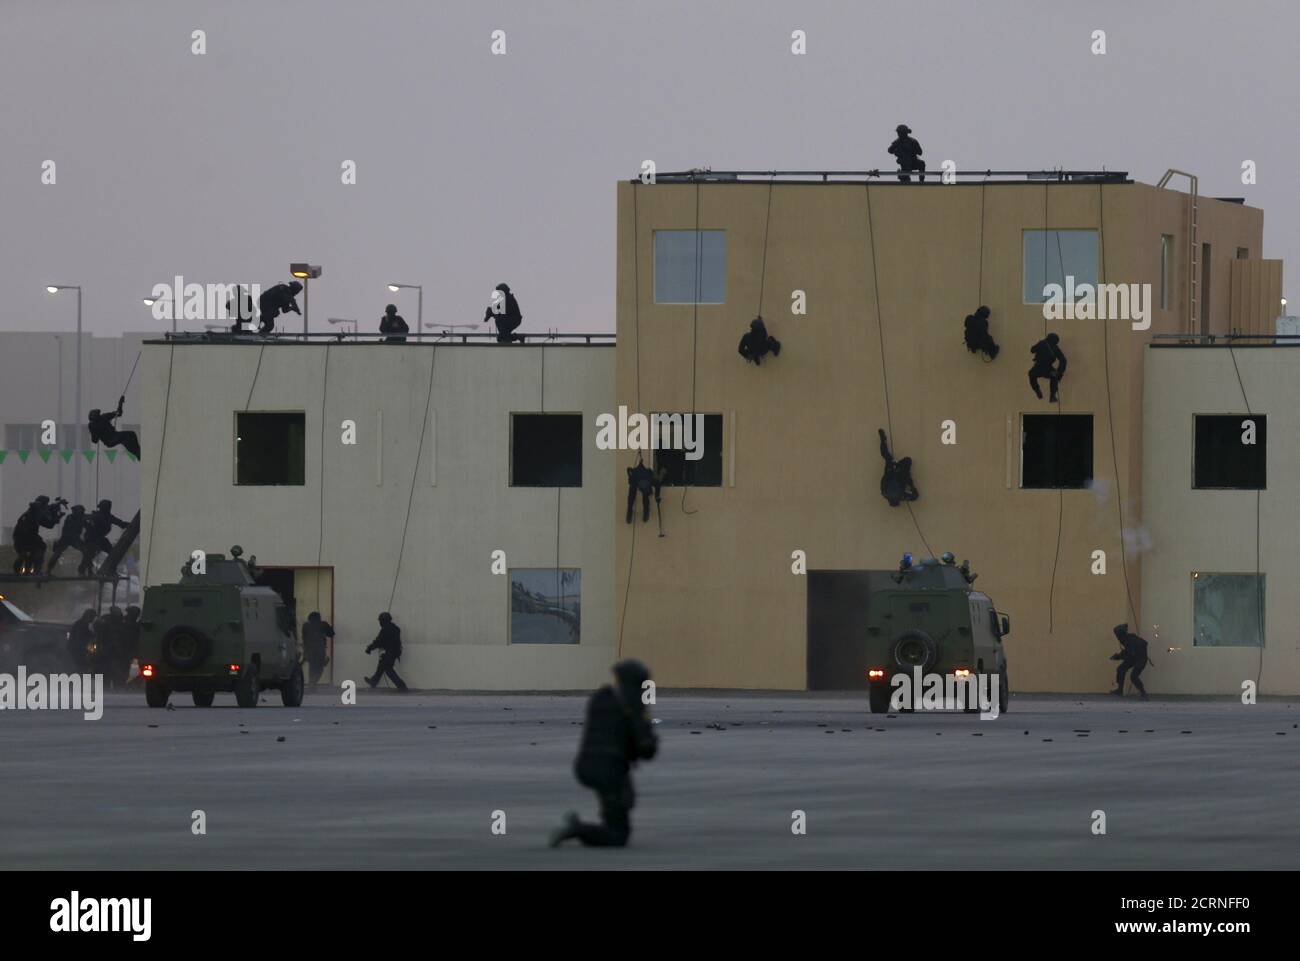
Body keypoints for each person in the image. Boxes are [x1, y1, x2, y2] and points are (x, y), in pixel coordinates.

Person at [550, 659, 659, 848]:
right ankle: (575, 827)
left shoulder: (602, 697)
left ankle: (584, 825)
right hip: (610, 770)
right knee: (618, 835)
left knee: (615, 818)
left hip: (586, 765)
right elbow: (644, 747)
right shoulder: (633, 705)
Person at [12, 495, 64, 575]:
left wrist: (56, 506)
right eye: (46, 504)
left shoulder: (35, 509)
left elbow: (47, 517)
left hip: (28, 535)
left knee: (36, 551)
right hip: (23, 536)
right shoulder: (37, 510)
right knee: (27, 554)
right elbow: (48, 523)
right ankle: (32, 570)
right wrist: (56, 517)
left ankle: (29, 570)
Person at [77, 499, 129, 576]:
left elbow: (120, 523)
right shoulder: (97, 515)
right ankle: (82, 569)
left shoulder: (108, 517)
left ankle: (110, 570)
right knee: (90, 554)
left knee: (112, 553)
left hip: (100, 538)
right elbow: (83, 518)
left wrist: (130, 524)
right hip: (91, 538)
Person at [364, 612, 407, 690]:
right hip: (394, 652)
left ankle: (402, 687)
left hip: (390, 652)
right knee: (382, 666)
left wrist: (369, 648)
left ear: (384, 620)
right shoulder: (395, 628)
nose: (380, 622)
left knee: (388, 670)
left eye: (380, 620)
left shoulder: (385, 629)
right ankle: (373, 681)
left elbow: (378, 641)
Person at [878, 428, 919, 507]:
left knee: (907, 461)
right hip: (892, 473)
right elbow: (883, 480)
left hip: (895, 474)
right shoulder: (885, 493)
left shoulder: (901, 496)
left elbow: (915, 496)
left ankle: (883, 440)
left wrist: (911, 485)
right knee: (887, 457)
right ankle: (883, 441)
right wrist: (891, 468)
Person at [1110, 624, 1151, 699]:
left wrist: (1119, 657)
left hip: (1140, 659)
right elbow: (1128, 652)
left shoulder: (1130, 640)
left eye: (1118, 635)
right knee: (1121, 669)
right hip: (1134, 658)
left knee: (1133, 676)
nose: (1117, 638)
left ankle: (1143, 693)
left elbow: (1130, 653)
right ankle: (1120, 690)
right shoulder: (1127, 639)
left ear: (1121, 635)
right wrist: (1119, 656)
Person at [47, 504, 88, 573]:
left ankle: (82, 569)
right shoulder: (70, 518)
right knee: (57, 553)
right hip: (66, 539)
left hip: (74, 539)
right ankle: (48, 570)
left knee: (86, 552)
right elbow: (71, 529)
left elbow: (87, 526)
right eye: (81, 512)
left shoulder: (80, 518)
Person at [1028, 333, 1067, 402]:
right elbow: (1032, 350)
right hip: (1039, 366)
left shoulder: (1055, 348)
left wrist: (1059, 372)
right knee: (1031, 374)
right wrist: (1039, 344)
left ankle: (1052, 396)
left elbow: (1063, 361)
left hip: (1047, 367)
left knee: (1054, 376)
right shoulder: (1043, 344)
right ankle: (1038, 391)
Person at [625, 458, 665, 524]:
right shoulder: (635, 479)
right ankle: (631, 512)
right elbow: (657, 484)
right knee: (632, 494)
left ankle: (644, 512)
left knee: (643, 496)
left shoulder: (649, 478)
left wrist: (657, 496)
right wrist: (657, 496)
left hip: (641, 476)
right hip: (638, 478)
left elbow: (657, 484)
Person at [301, 611, 335, 685]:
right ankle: (313, 681)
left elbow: (304, 637)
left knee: (312, 667)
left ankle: (312, 681)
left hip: (309, 649)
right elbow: (331, 634)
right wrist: (331, 628)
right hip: (319, 649)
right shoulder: (323, 624)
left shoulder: (306, 626)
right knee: (319, 667)